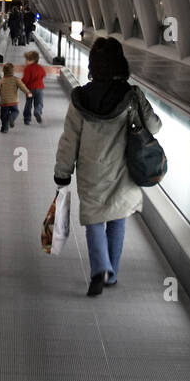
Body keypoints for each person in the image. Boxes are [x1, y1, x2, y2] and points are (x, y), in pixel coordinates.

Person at [53, 36, 161, 297]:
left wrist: (62, 173)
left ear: (94, 65)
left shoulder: (81, 98)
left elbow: (70, 139)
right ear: (120, 63)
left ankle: (99, 269)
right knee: (117, 218)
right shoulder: (132, 96)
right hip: (124, 170)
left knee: (94, 221)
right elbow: (154, 126)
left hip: (91, 170)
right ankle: (111, 272)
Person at [0, 62, 31, 133]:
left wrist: (0, 93)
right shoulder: (16, 79)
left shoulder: (2, 80)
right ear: (13, 71)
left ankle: (4, 129)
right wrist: (28, 92)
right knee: (15, 111)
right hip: (13, 101)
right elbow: (22, 87)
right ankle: (11, 118)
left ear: (4, 71)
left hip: (4, 102)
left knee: (3, 116)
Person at [21, 49, 46, 124]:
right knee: (39, 103)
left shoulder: (28, 68)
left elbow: (26, 79)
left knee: (28, 104)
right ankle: (37, 111)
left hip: (30, 89)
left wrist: (21, 84)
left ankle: (27, 119)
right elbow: (44, 74)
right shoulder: (40, 67)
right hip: (39, 89)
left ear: (33, 60)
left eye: (28, 59)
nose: (26, 61)